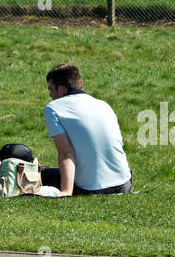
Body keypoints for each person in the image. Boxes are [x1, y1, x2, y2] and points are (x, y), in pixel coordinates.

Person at [40, 63, 132, 195]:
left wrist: (66, 191)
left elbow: (66, 153)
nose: (50, 95)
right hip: (124, 184)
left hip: (91, 188)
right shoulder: (104, 105)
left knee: (43, 174)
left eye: (51, 90)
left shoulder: (53, 108)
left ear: (61, 90)